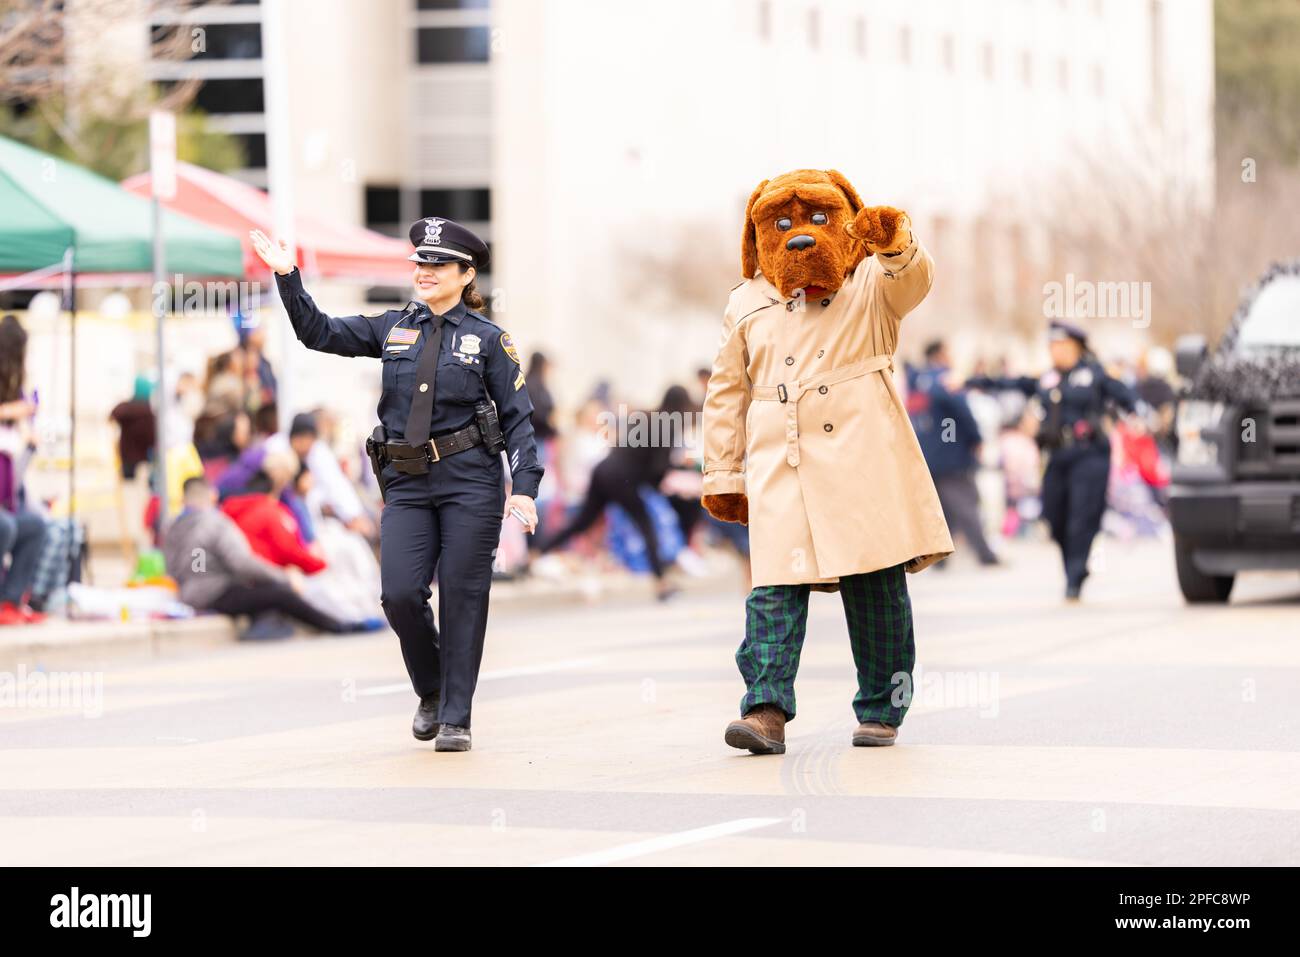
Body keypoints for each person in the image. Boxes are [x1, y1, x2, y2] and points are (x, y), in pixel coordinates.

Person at [251, 217, 543, 752]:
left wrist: (523, 486)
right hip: (407, 481)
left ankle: (456, 715)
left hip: (469, 482)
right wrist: (288, 275)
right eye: (420, 264)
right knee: (400, 594)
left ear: (466, 273)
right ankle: (430, 688)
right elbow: (320, 332)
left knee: (462, 595)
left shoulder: (489, 342)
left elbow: (520, 420)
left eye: (437, 265)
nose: (424, 272)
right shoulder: (393, 327)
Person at [968, 320, 1137, 600]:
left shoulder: (1095, 375)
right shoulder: (1047, 378)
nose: (1055, 351)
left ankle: (1074, 576)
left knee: (1080, 518)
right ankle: (1077, 564)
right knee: (1053, 515)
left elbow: (1126, 395)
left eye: (1061, 346)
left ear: (1076, 347)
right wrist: (972, 381)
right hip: (1058, 456)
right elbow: (1013, 383)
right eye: (1052, 346)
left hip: (1089, 455)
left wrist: (1137, 414)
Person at [163, 476, 375, 639]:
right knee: (280, 594)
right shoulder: (216, 522)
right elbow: (242, 563)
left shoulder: (172, 527)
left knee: (263, 594)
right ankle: (338, 626)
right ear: (212, 495)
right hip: (217, 593)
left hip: (188, 595)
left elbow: (171, 567)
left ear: (184, 499)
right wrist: (284, 578)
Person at [531, 387, 689, 600]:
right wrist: (663, 481)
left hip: (604, 470)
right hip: (622, 480)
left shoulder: (646, 416)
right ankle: (661, 584)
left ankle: (536, 553)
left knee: (582, 521)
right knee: (645, 525)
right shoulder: (669, 425)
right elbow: (658, 468)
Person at [908, 340, 1000, 567]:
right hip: (952, 454)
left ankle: (939, 558)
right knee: (966, 504)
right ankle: (985, 554)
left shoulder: (918, 381)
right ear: (941, 354)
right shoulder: (945, 379)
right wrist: (976, 440)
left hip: (928, 455)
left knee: (942, 508)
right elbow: (962, 411)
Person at [0, 314, 49, 626]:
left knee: (35, 525)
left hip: (7, 493)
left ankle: (10, 600)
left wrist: (26, 429)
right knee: (5, 527)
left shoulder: (16, 392)